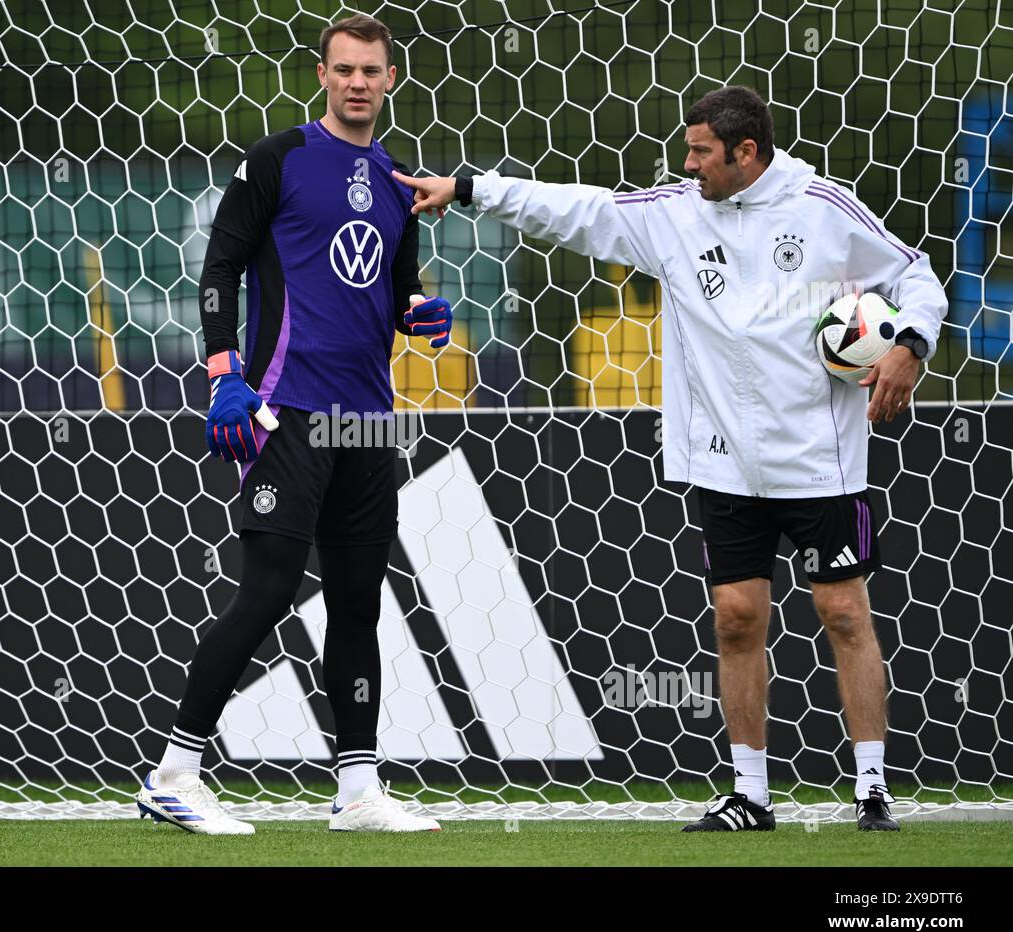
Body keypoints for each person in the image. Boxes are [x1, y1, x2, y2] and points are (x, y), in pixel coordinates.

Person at [393, 86, 947, 832]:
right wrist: (468, 188)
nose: (687, 165)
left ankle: (872, 787)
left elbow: (914, 273)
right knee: (736, 619)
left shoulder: (822, 206)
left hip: (822, 457)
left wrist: (910, 346)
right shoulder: (674, 215)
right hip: (724, 460)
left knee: (842, 612)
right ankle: (750, 794)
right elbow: (575, 209)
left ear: (746, 153)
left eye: (700, 153)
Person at [136, 13, 449, 835]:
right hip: (287, 409)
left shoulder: (397, 179)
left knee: (357, 602)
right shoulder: (276, 159)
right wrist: (222, 374)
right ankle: (174, 772)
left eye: (371, 70)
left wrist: (416, 309)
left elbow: (397, 279)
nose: (357, 82)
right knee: (270, 590)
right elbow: (221, 266)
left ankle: (356, 790)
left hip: (369, 420)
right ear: (321, 75)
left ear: (390, 80)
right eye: (343, 68)